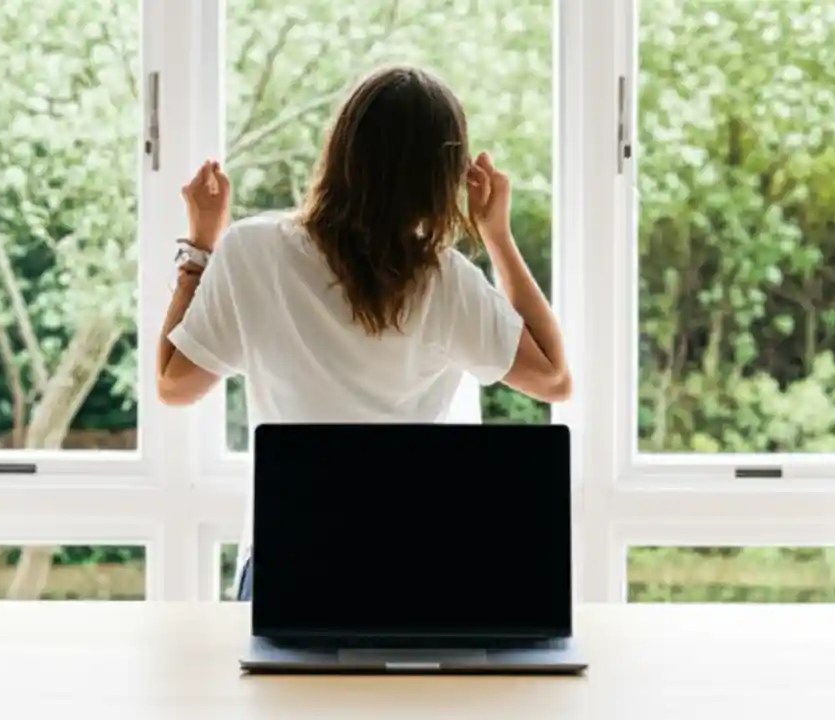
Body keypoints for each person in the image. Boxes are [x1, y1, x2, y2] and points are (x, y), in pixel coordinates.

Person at [156, 66, 571, 600]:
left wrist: (199, 247)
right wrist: (496, 235)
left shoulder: (251, 251)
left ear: (340, 153)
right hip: (413, 567)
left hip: (290, 568)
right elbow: (555, 379)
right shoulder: (446, 282)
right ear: (441, 177)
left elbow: (174, 384)